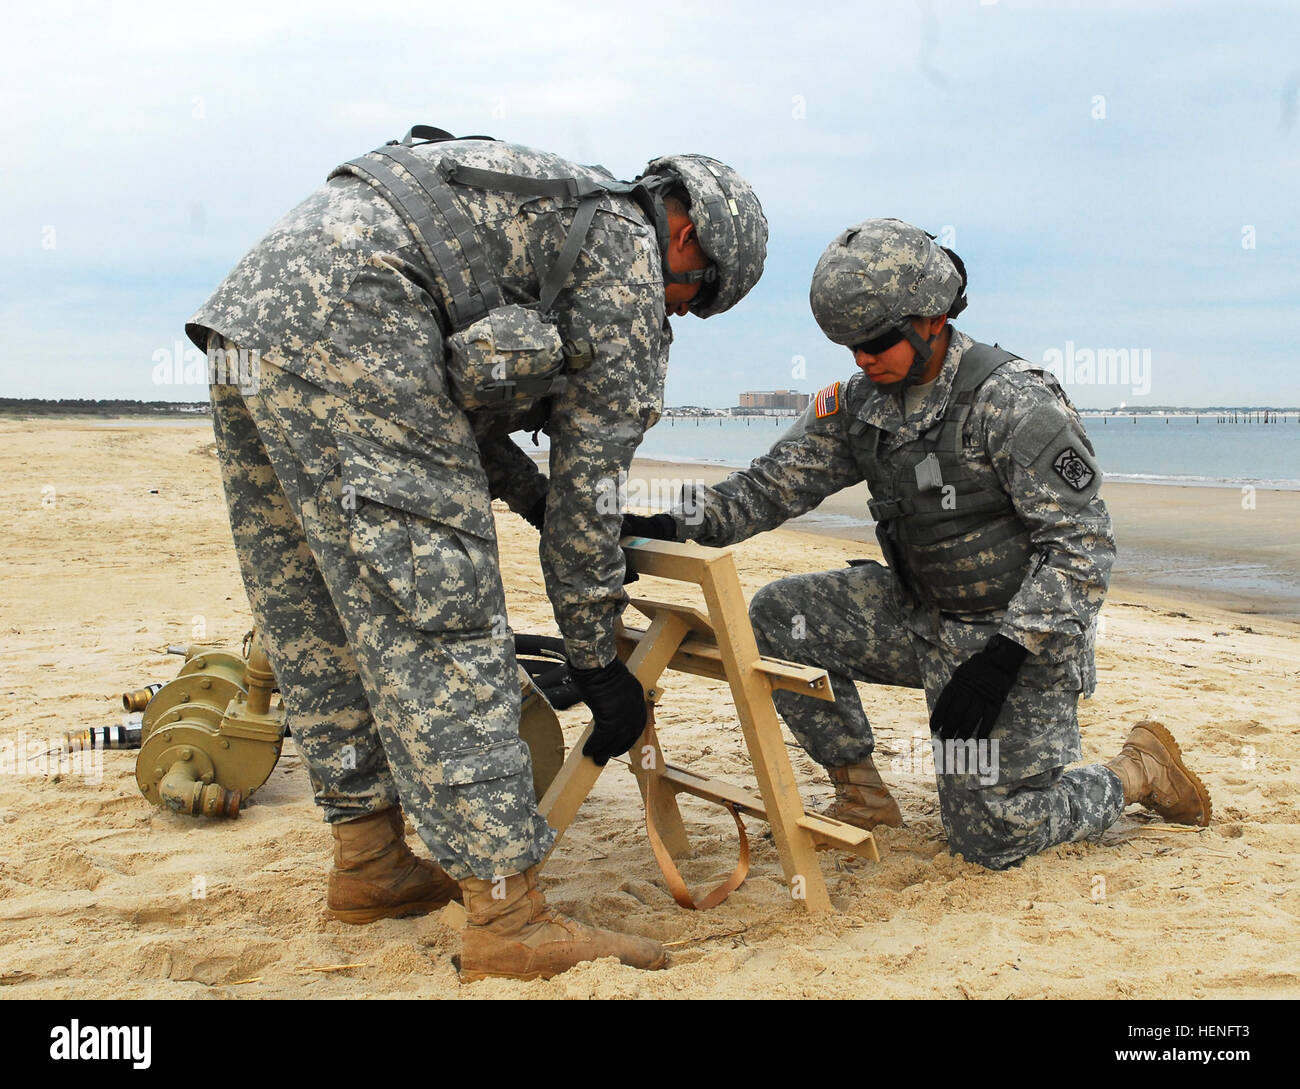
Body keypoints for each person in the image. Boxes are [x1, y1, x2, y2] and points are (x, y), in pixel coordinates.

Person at [185, 125, 767, 980]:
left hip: (251, 322)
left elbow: (459, 426)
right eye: (696, 300)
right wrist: (593, 658)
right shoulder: (628, 262)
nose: (678, 313)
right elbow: (586, 496)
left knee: (314, 609)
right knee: (444, 618)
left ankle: (370, 861)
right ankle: (508, 917)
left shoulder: (546, 209)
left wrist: (534, 501)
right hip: (360, 319)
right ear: (688, 238)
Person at [625, 218, 1209, 871]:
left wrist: (1004, 659)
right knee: (776, 616)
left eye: (876, 342)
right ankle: (863, 794)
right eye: (848, 346)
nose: (862, 360)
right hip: (919, 613)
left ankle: (1138, 771)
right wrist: (675, 523)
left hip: (1015, 641)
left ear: (932, 318)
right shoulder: (857, 405)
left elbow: (1083, 548)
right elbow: (769, 487)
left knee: (991, 836)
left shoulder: (1014, 401)